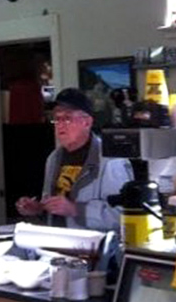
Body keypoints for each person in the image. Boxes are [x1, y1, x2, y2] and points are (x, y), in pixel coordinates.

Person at [15, 87, 131, 230]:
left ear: (87, 123)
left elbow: (123, 217)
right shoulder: (53, 158)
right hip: (57, 244)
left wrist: (76, 209)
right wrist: (39, 208)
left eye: (67, 118)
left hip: (93, 249)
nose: (60, 124)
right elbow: (53, 209)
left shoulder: (111, 160)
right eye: (57, 118)